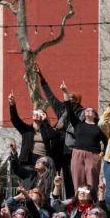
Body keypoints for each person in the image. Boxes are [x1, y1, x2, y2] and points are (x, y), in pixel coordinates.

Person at [38, 67, 80, 197]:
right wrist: (41, 77)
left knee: (68, 178)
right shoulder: (61, 109)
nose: (66, 97)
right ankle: (53, 200)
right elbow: (50, 96)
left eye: (71, 97)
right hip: (57, 146)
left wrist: (64, 127)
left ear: (77, 101)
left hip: (69, 150)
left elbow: (78, 128)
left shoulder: (79, 113)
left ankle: (70, 202)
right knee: (53, 175)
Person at [8, 90, 61, 168]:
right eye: (35, 112)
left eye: (38, 113)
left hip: (43, 161)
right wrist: (12, 105)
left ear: (43, 117)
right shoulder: (26, 129)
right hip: (28, 161)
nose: (35, 114)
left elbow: (52, 135)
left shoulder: (46, 129)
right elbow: (15, 120)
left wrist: (46, 121)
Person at [65, 93, 107, 191]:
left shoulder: (98, 128)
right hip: (77, 153)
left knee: (92, 181)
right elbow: (69, 110)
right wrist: (65, 93)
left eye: (90, 110)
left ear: (95, 115)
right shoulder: (78, 124)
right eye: (86, 110)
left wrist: (103, 152)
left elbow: (107, 142)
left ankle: (92, 202)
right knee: (77, 179)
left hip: (93, 155)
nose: (87, 111)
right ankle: (78, 202)